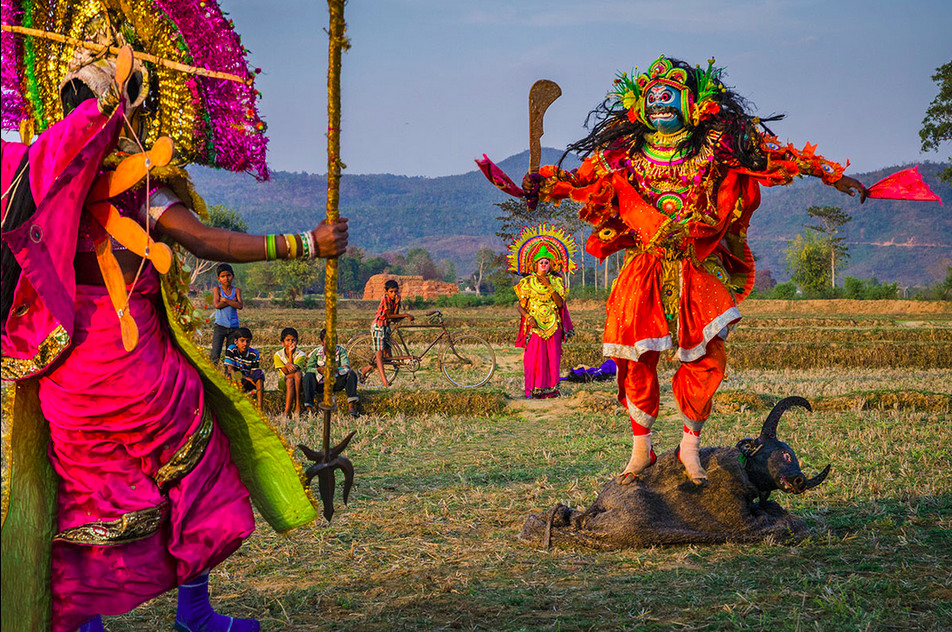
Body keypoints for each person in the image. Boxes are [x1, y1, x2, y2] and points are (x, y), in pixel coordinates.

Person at [1, 39, 348, 632]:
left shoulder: (33, 181)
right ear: (129, 111)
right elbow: (209, 242)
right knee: (197, 472)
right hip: (141, 373)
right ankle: (195, 613)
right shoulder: (138, 186)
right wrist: (306, 243)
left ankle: (84, 624)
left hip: (67, 382)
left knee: (87, 503)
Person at [479, 55, 867, 486]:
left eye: (671, 93)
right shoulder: (620, 153)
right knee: (634, 359)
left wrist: (834, 177)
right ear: (640, 106)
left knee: (704, 357)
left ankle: (689, 444)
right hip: (644, 267)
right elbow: (579, 182)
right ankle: (640, 448)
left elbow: (777, 160)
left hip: (696, 266)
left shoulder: (717, 145)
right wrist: (542, 184)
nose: (661, 100)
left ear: (694, 103)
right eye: (653, 95)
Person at [513, 241, 574, 399]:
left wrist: (549, 286)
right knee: (533, 360)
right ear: (535, 265)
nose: (544, 265)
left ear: (551, 265)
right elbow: (519, 306)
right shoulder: (526, 283)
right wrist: (528, 317)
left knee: (552, 359)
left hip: (553, 326)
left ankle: (552, 391)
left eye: (547, 262)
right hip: (534, 326)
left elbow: (560, 303)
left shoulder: (557, 282)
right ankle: (531, 391)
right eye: (541, 262)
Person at [362, 279, 413, 386]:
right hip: (379, 327)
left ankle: (365, 370)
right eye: (391, 292)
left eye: (395, 291)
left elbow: (394, 316)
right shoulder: (385, 299)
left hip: (386, 327)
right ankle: (384, 381)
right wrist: (406, 315)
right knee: (379, 355)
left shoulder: (394, 299)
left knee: (387, 356)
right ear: (386, 291)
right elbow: (389, 315)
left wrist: (398, 304)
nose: (394, 294)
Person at [303, 328, 360, 418]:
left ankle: (351, 408)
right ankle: (309, 408)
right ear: (322, 342)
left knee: (351, 374)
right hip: (320, 384)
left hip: (336, 382)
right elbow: (308, 368)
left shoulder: (341, 351)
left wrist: (335, 369)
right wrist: (318, 370)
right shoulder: (316, 353)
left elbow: (346, 366)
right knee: (308, 376)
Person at [223, 327, 265, 408]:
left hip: (247, 380)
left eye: (247, 341)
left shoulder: (254, 353)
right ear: (236, 341)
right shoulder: (232, 349)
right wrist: (247, 378)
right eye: (242, 341)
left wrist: (251, 379)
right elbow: (230, 370)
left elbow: (253, 372)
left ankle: (260, 407)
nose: (245, 344)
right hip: (236, 378)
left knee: (259, 374)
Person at [209, 263, 243, 363]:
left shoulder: (236, 290)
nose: (226, 278)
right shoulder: (217, 289)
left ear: (233, 276)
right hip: (220, 326)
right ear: (218, 278)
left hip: (233, 327)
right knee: (215, 353)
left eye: (228, 275)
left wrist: (225, 300)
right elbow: (217, 305)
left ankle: (228, 376)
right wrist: (232, 302)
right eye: (222, 276)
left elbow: (240, 306)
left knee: (231, 354)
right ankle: (212, 375)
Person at [274, 327, 307, 418]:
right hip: (283, 381)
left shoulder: (301, 354)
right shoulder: (278, 355)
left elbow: (294, 369)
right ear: (282, 342)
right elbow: (287, 373)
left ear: (297, 342)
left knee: (295, 376)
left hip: (299, 383)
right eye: (288, 340)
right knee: (292, 377)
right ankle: (297, 406)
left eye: (293, 340)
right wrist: (289, 355)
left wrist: (290, 356)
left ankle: (287, 411)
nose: (291, 343)